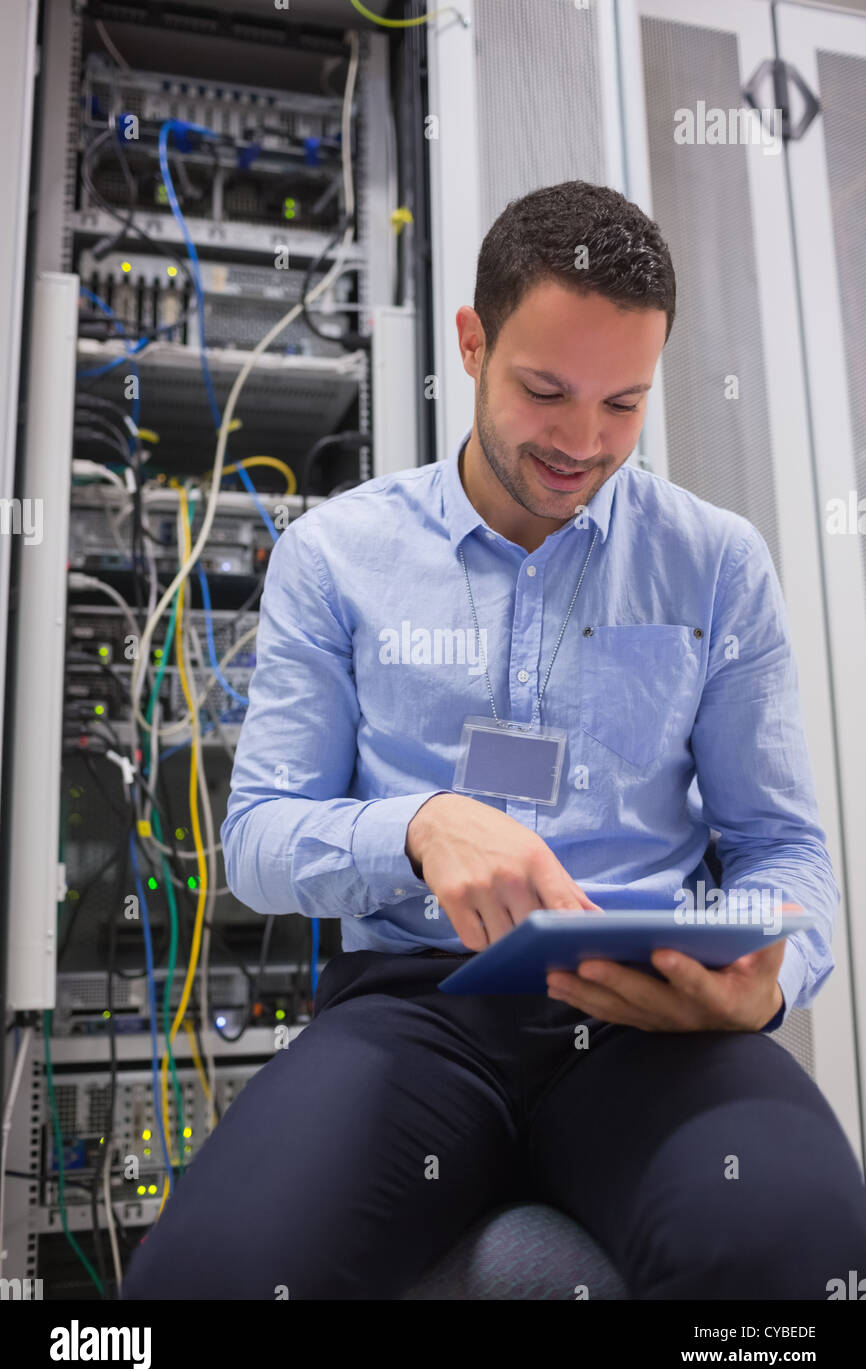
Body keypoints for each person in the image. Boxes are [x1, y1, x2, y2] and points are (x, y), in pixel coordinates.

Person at [122, 180, 866, 1301]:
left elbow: (783, 849)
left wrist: (762, 990)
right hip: (415, 1011)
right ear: (470, 343)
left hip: (641, 1022)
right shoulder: (338, 557)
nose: (582, 443)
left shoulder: (715, 563)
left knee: (802, 1264)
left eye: (623, 404)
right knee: (207, 1280)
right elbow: (261, 841)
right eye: (543, 390)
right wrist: (415, 825)